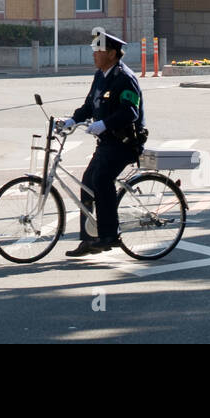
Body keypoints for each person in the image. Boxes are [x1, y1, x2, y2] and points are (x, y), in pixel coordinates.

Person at [60, 28, 147, 257]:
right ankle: (89, 239)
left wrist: (105, 124)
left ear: (112, 53)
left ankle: (110, 235)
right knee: (87, 183)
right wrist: (72, 119)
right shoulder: (101, 75)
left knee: (101, 179)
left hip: (125, 143)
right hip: (106, 144)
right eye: (94, 50)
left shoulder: (124, 78)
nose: (94, 54)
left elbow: (131, 112)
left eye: (98, 50)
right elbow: (90, 105)